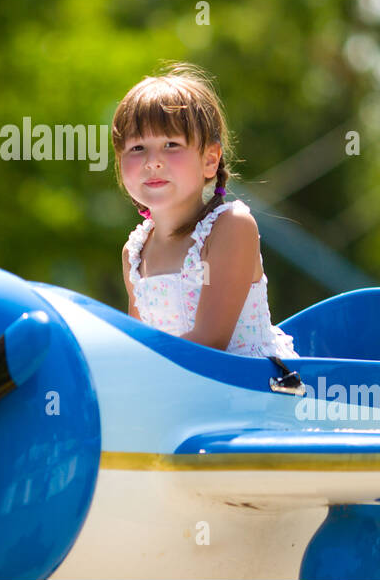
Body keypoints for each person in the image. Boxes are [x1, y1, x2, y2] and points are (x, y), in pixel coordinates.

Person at [112, 63, 297, 359]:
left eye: (171, 144)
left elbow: (210, 344)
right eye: (137, 148)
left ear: (210, 160)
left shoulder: (230, 228)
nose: (152, 162)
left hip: (250, 393)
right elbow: (140, 342)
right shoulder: (135, 252)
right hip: (182, 393)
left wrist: (136, 363)